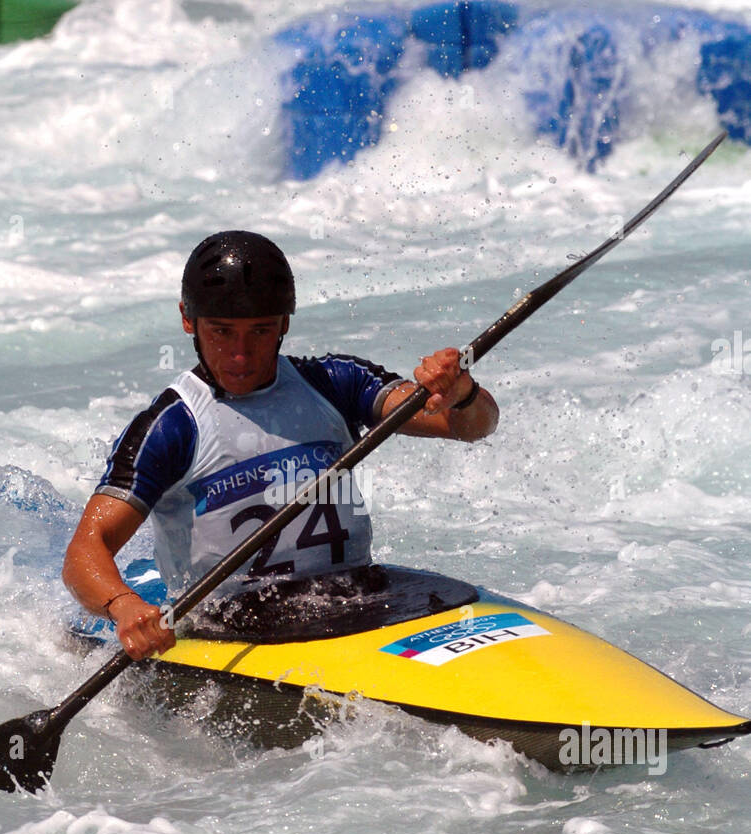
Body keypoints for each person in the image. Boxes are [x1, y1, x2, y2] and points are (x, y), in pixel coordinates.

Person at [63, 230, 499, 659]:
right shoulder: (172, 426)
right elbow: (85, 549)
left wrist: (461, 392)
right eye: (221, 332)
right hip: (230, 623)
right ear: (187, 320)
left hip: (352, 596)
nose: (240, 354)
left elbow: (471, 425)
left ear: (285, 324)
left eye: (259, 332)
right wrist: (123, 605)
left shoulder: (334, 383)